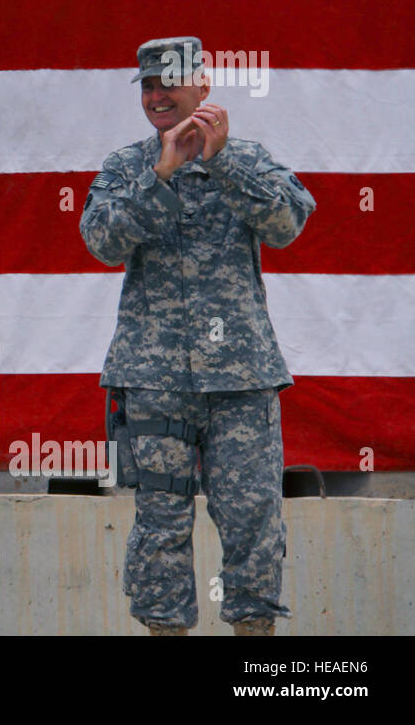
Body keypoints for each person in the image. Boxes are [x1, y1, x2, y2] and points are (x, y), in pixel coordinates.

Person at [79, 36, 315, 636]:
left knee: (253, 522)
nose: (158, 96)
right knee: (160, 526)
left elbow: (288, 223)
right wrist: (160, 177)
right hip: (154, 383)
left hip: (241, 381)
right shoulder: (126, 168)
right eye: (149, 87)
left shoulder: (246, 158)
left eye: (170, 84)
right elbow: (102, 242)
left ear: (202, 87)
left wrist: (223, 161)